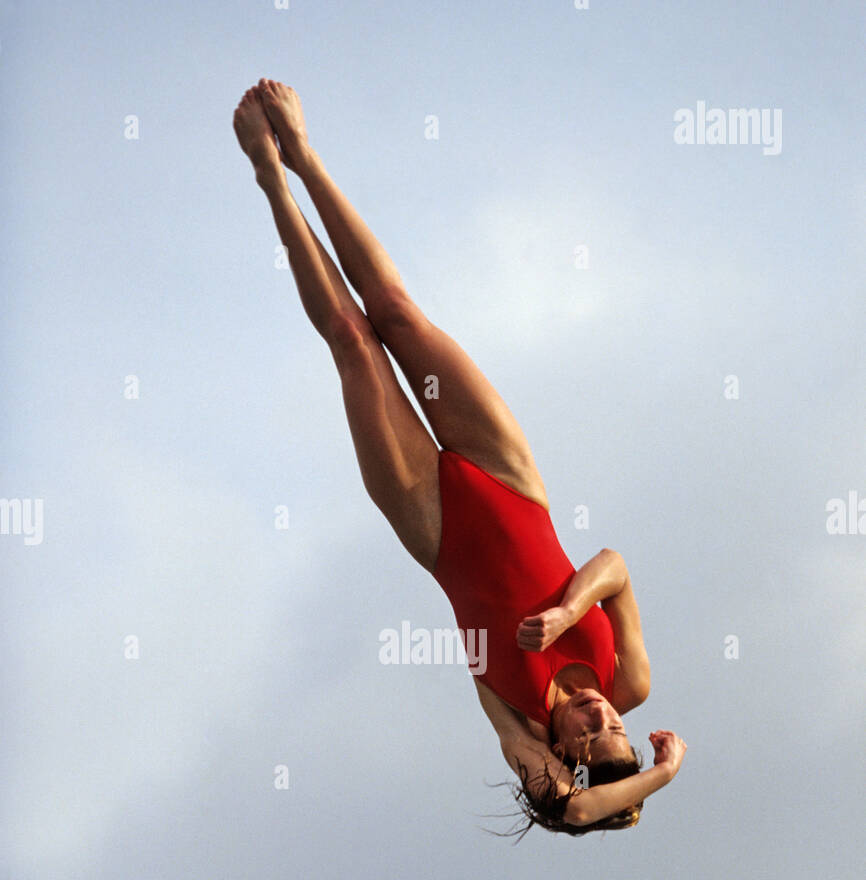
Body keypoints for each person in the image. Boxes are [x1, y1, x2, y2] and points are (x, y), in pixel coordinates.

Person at [233, 81, 687, 836]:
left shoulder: (525, 737)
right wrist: (572, 607)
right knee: (398, 312)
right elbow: (616, 565)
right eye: (611, 723)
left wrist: (662, 777)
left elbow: (574, 815)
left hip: (433, 524)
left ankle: (270, 178)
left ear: (570, 753)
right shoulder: (629, 678)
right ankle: (306, 158)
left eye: (587, 731)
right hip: (510, 480)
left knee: (352, 342)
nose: (593, 712)